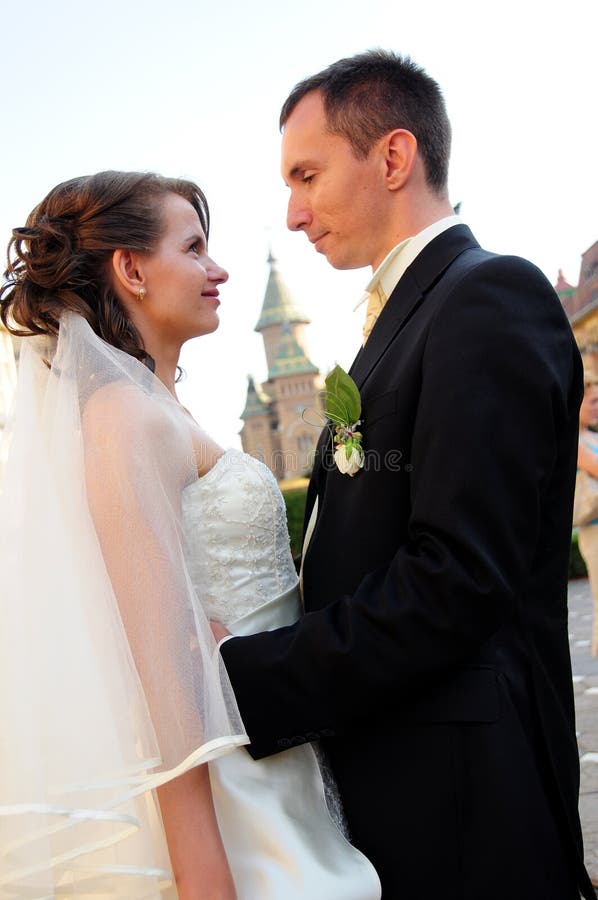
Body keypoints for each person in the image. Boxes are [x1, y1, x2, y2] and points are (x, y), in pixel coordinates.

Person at [216, 50, 596, 899]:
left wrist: (240, 679)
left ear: (392, 157)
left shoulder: (487, 295)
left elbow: (456, 578)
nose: (293, 213)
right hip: (395, 790)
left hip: (467, 810)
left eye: (306, 176)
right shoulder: (406, 317)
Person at [0, 171, 381, 899]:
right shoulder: (125, 417)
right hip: (226, 791)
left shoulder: (159, 408)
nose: (218, 269)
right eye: (194, 247)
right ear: (132, 269)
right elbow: (162, 674)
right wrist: (204, 873)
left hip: (270, 752)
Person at [576, 365, 598, 657]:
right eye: (592, 401)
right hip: (593, 530)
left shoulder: (592, 436)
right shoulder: (575, 441)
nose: (597, 408)